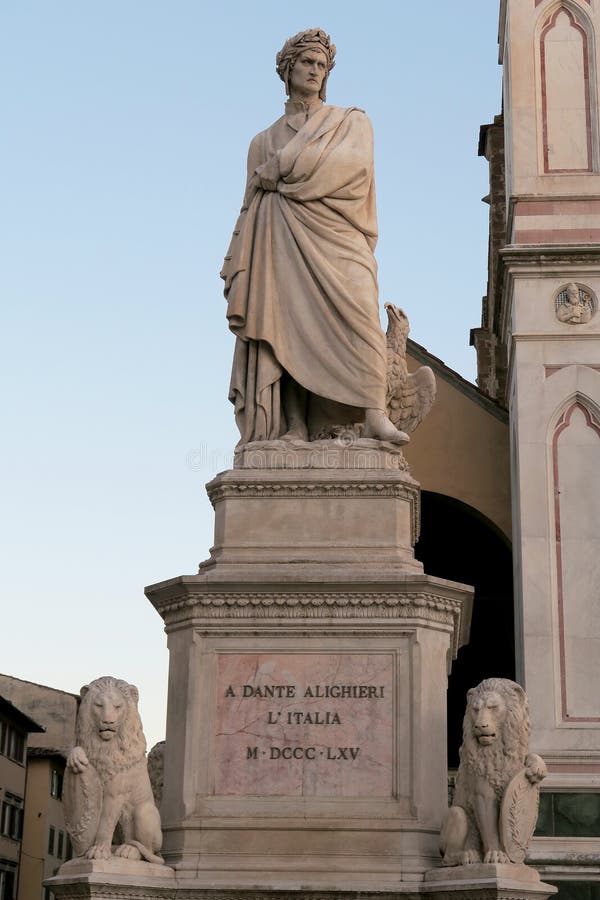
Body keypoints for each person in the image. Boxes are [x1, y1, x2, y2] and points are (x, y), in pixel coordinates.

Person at [221, 29, 406, 445]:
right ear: (287, 70)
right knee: (283, 324)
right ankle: (295, 426)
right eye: (307, 63)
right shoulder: (262, 141)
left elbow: (353, 168)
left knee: (362, 313)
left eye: (322, 65)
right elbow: (251, 203)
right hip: (280, 240)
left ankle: (374, 413)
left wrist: (284, 166)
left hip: (340, 238)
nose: (315, 71)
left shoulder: (350, 122)